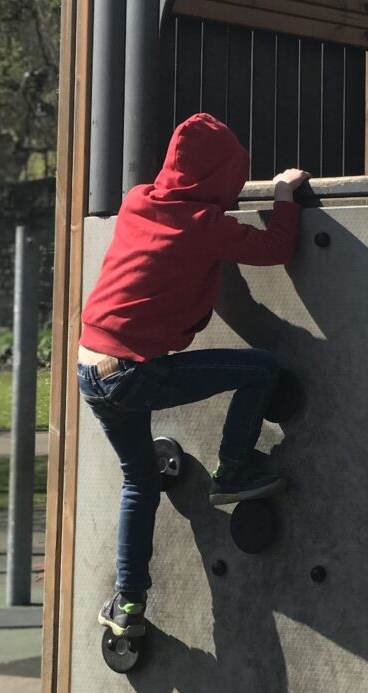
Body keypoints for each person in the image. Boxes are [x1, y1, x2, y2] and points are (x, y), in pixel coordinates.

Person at [76, 111, 309, 643]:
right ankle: (235, 467)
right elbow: (275, 249)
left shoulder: (138, 200)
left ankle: (128, 601)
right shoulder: (204, 227)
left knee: (139, 481)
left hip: (91, 366)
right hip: (134, 373)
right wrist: (283, 195)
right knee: (260, 370)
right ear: (221, 178)